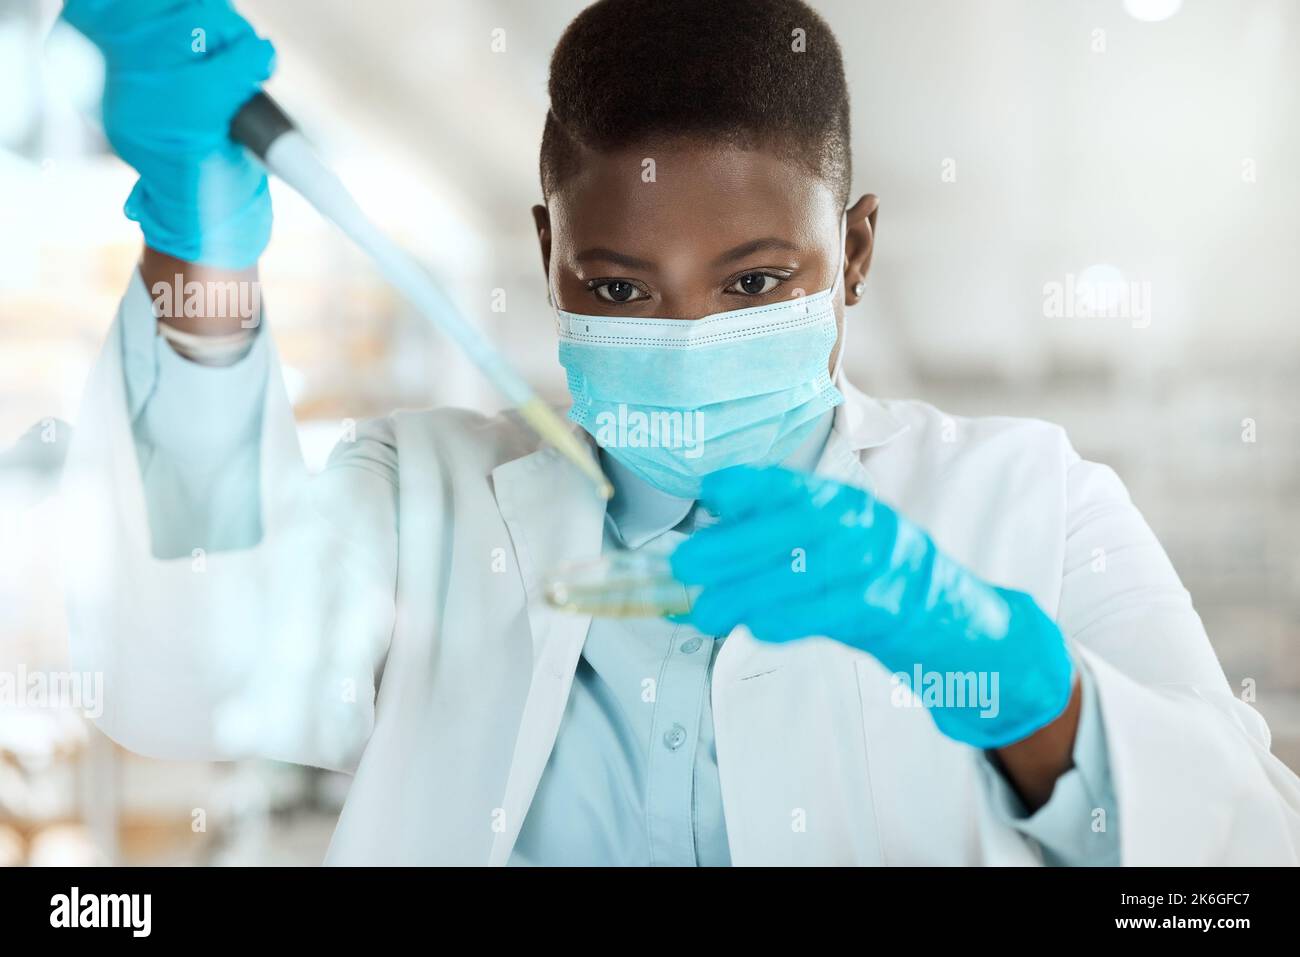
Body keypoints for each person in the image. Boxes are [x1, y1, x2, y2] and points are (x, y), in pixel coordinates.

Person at [57, 0, 1300, 866]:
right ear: (548, 256)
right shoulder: (422, 497)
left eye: (754, 283)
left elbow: (1242, 860)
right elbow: (180, 686)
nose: (689, 332)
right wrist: (196, 255)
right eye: (618, 287)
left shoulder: (1031, 504)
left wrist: (1018, 685)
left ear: (853, 251)